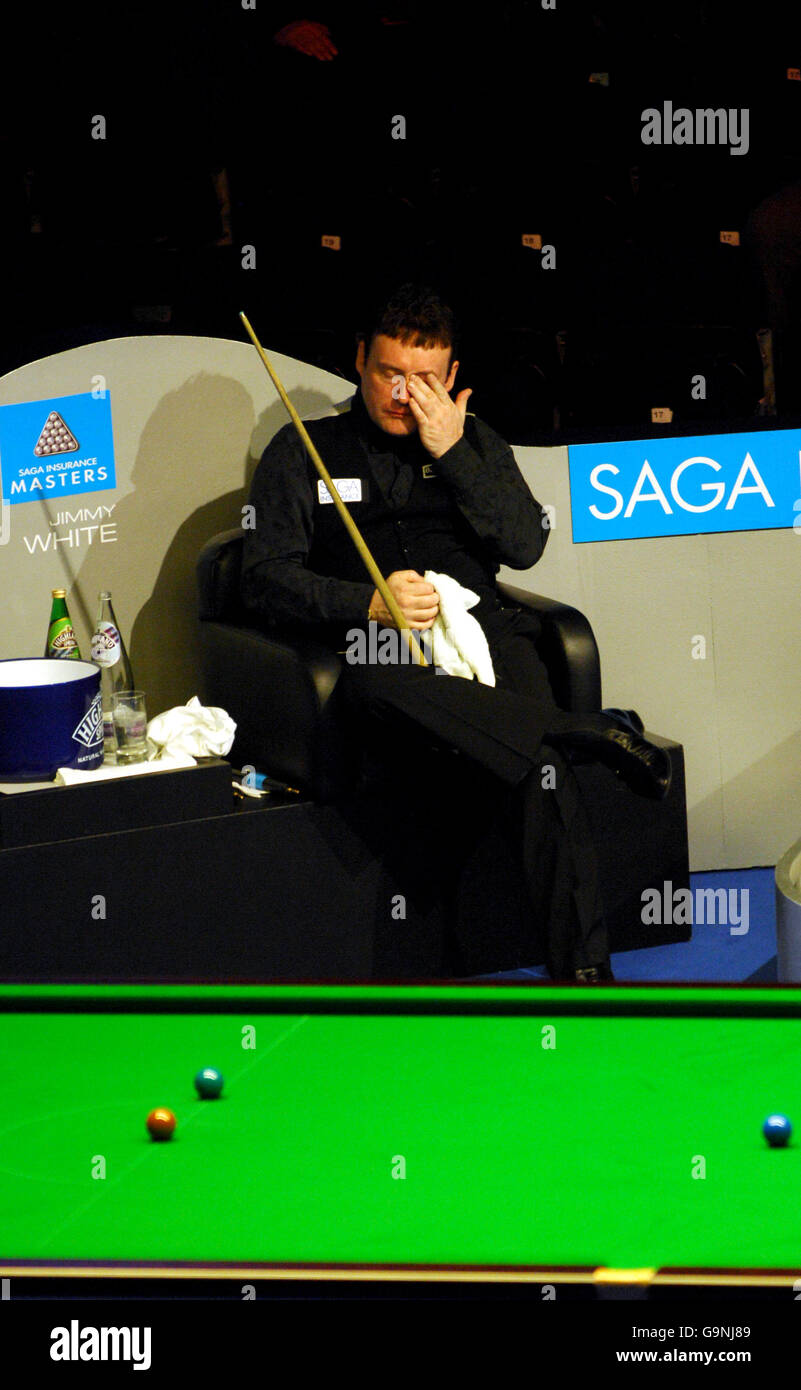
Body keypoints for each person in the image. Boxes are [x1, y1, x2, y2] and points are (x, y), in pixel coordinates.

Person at [241, 284, 671, 981]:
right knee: (385, 682)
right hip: (379, 644)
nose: (403, 394)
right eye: (388, 373)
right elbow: (261, 578)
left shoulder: (474, 442)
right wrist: (368, 602)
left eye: (424, 379)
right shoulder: (304, 450)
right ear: (359, 361)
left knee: (544, 771)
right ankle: (581, 727)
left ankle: (585, 978)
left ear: (450, 378)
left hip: (481, 629)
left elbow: (525, 544)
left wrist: (457, 451)